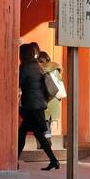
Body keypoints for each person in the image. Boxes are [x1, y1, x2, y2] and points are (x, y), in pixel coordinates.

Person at [19, 43, 60, 171]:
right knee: (34, 133)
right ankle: (54, 161)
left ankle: (14, 161)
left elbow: (18, 82)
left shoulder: (26, 68)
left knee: (27, 133)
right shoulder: (37, 66)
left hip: (31, 106)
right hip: (38, 104)